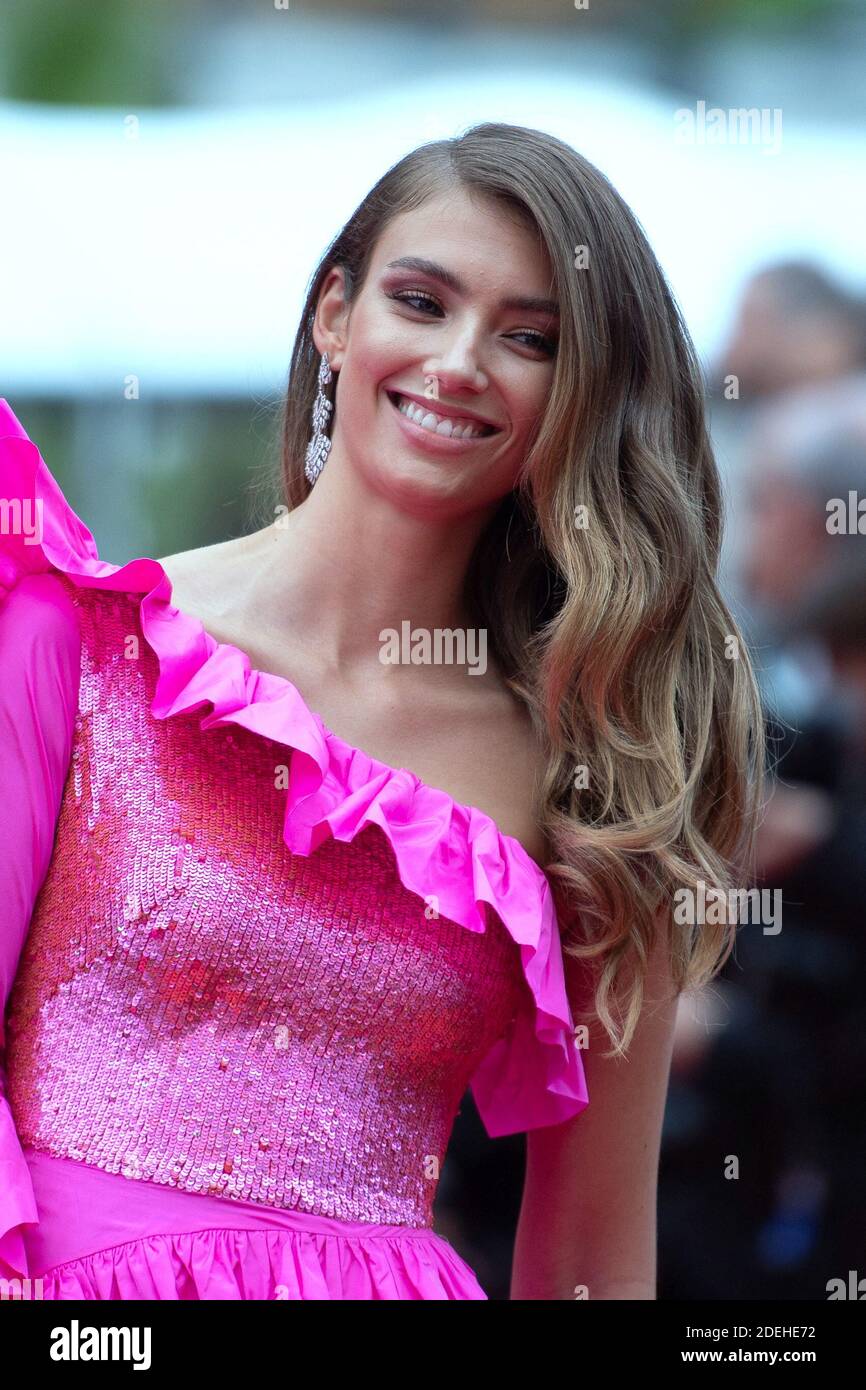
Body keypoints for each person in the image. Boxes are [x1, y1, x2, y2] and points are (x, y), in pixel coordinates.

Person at [0, 121, 765, 1301]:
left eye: (529, 339)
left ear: (582, 396)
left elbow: (590, 1266)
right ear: (334, 316)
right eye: (422, 301)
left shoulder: (599, 770)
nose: (461, 362)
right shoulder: (80, 642)